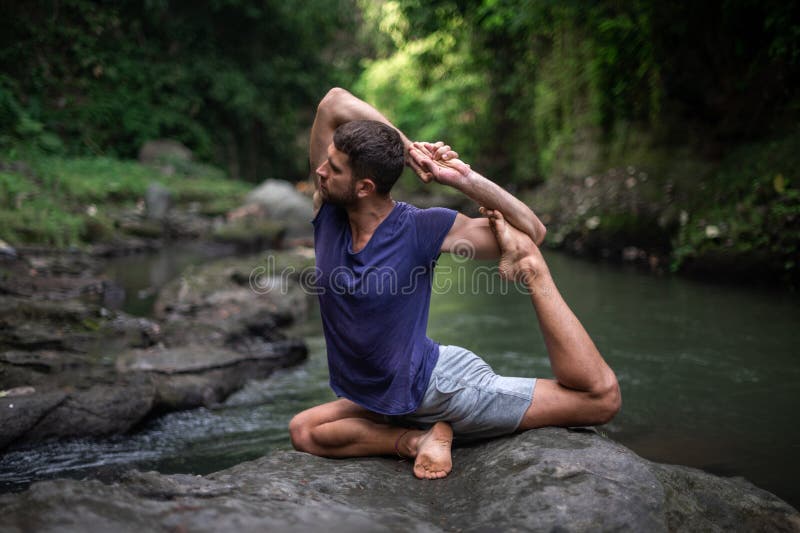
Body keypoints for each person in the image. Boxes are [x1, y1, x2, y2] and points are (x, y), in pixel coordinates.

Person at [289, 88, 621, 479]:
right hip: (387, 395)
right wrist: (410, 148)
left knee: (598, 399)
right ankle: (417, 440)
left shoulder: (421, 228)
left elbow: (533, 230)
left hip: (439, 387)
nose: (320, 172)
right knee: (305, 430)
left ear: (365, 187)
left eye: (333, 168)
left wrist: (462, 178)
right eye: (326, 163)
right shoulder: (328, 211)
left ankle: (534, 275)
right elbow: (332, 102)